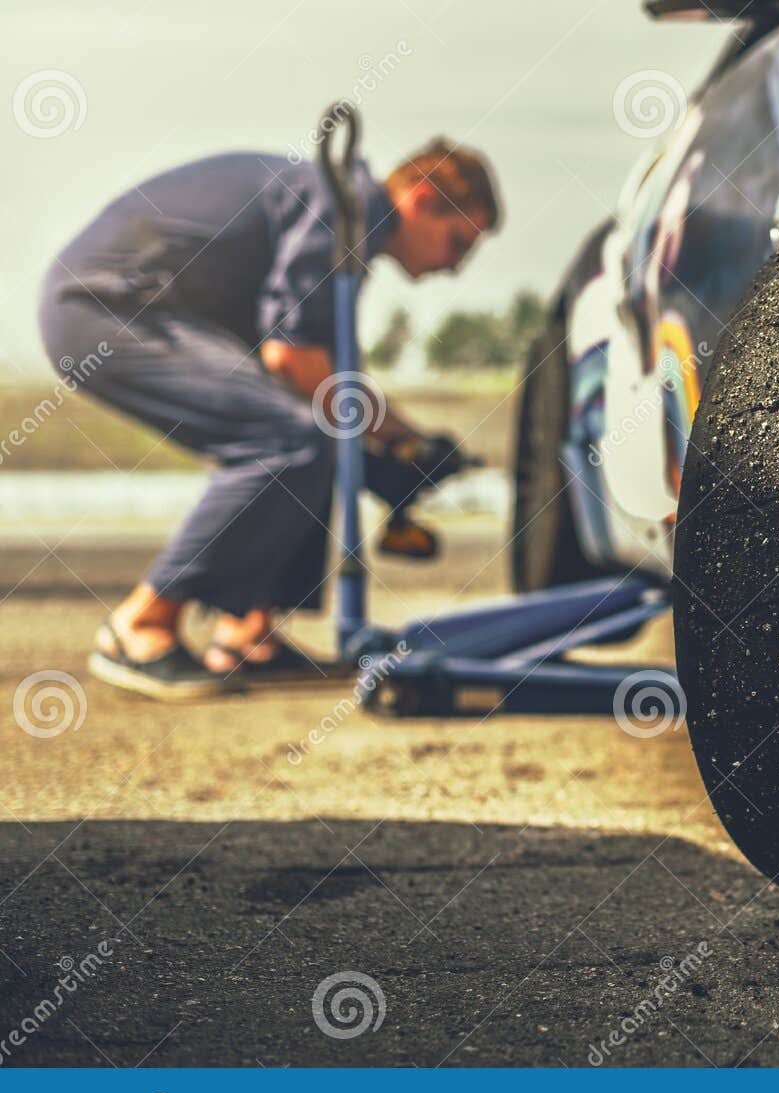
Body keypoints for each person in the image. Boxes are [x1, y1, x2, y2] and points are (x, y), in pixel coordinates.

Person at [37, 136, 499, 701]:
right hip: (106, 307)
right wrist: (403, 437)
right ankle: (139, 626)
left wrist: (390, 450)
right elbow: (293, 359)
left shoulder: (349, 222)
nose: (454, 267)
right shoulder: (342, 205)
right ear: (422, 198)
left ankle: (247, 631)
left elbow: (322, 381)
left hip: (142, 309)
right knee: (291, 436)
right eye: (458, 242)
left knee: (312, 428)